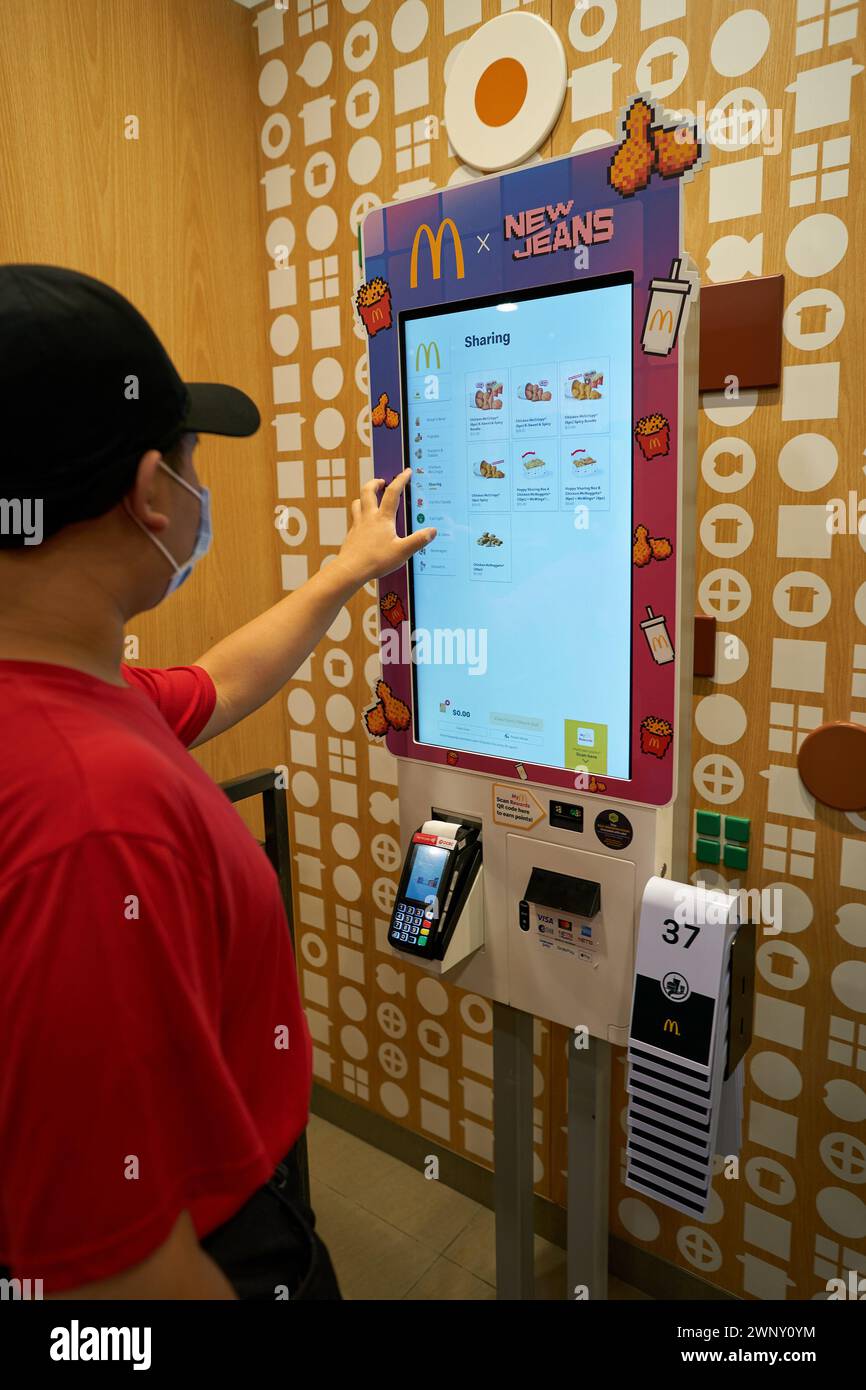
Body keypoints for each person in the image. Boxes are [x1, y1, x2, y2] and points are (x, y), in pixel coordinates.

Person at [0, 264, 435, 1299]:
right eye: (194, 458)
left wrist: (340, 574)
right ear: (153, 492)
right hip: (218, 1237)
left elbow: (217, 682)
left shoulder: (69, 696)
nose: (201, 489)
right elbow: (112, 1278)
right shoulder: (90, 817)